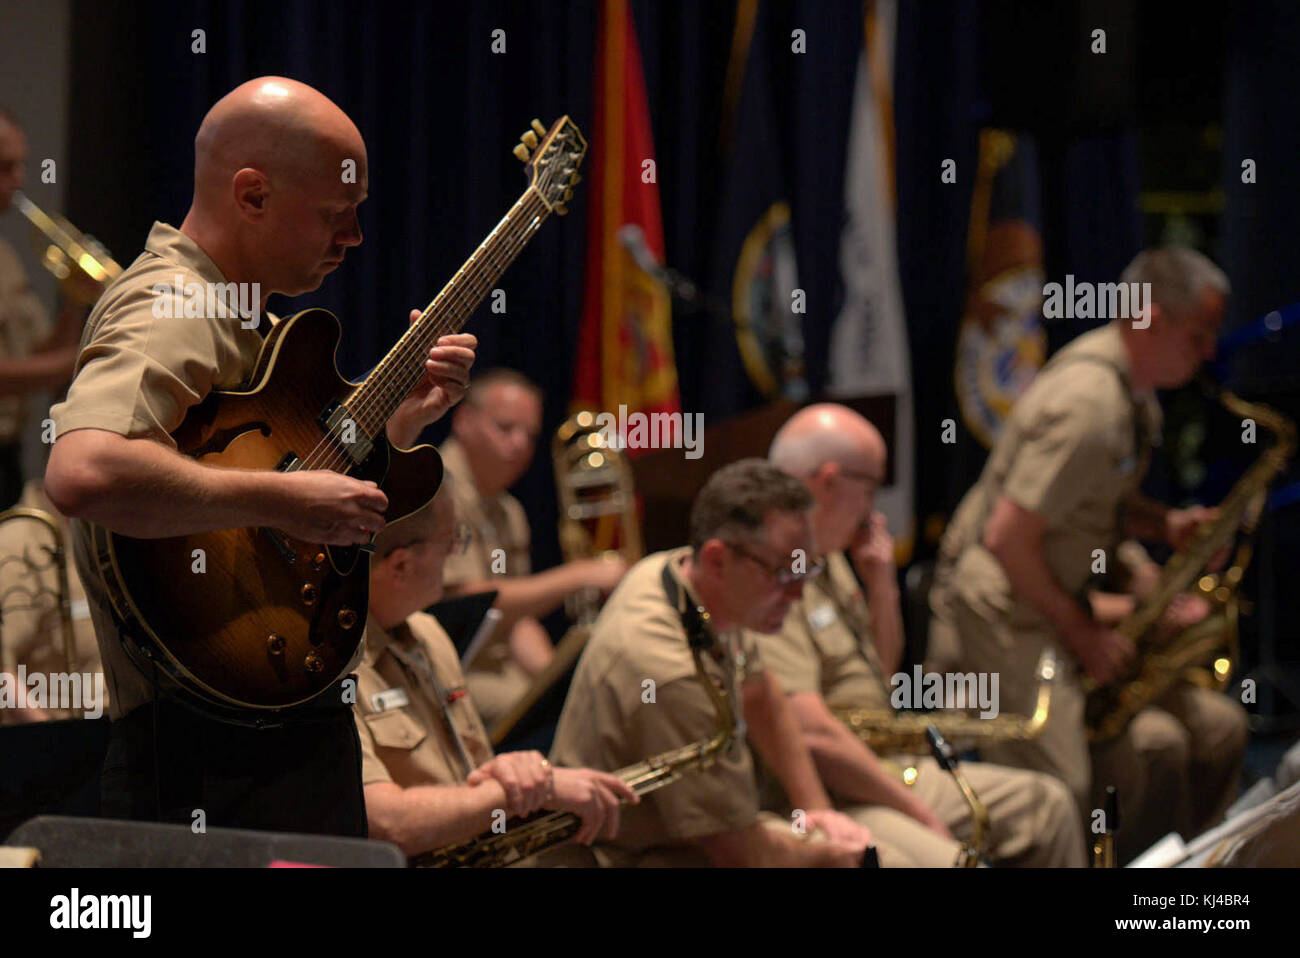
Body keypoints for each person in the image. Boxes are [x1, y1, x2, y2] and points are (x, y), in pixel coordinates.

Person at [43, 77, 477, 835]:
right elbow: (85, 470)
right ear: (251, 195)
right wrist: (283, 501)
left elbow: (267, 481)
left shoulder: (242, 315)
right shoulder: (175, 307)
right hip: (208, 759)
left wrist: (400, 422)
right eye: (335, 217)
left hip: (260, 729)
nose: (354, 240)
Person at [928, 248, 1248, 856]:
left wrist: (1166, 526)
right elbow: (1006, 539)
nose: (1208, 352)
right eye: (1198, 334)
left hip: (1045, 596)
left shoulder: (1132, 392)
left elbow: (1092, 505)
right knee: (1059, 791)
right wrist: (1085, 634)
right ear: (1150, 318)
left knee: (1205, 731)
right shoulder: (1089, 404)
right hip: (1003, 608)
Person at [761, 403, 1085, 866]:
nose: (873, 507)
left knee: (1046, 805)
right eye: (870, 486)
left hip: (873, 764)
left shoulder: (827, 557)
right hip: (832, 786)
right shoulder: (772, 567)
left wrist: (880, 584)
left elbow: (882, 676)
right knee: (959, 861)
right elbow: (810, 733)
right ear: (828, 481)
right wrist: (908, 804)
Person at [551, 458, 875, 867]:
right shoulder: (669, 671)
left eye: (806, 570)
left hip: (707, 834)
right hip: (636, 856)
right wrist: (830, 856)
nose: (797, 596)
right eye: (783, 573)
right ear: (719, 559)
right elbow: (736, 849)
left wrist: (817, 809)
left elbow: (759, 689)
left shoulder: (680, 574)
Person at [354, 476, 637, 865]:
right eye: (450, 541)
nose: (456, 552)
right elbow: (389, 824)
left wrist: (517, 772)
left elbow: (473, 772)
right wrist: (528, 791)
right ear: (401, 565)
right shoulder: (336, 672)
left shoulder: (428, 633)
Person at [439, 368, 626, 724]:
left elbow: (515, 619)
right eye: (506, 428)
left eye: (530, 434)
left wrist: (554, 678)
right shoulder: (437, 488)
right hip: (444, 669)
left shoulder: (508, 511)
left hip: (496, 668)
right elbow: (461, 602)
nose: (521, 444)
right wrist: (577, 576)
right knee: (572, 721)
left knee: (586, 702)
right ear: (464, 420)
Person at [0, 108, 91, 508]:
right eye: (4, 167)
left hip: (8, 456)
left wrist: (76, 296)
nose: (18, 180)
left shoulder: (5, 257)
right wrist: (87, 358)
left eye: (20, 165)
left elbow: (40, 359)